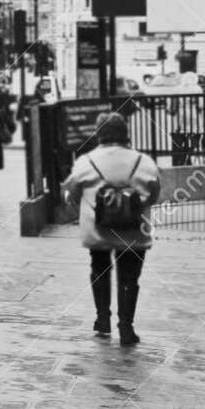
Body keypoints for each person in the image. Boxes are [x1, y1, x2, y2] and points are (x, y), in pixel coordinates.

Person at [61, 113, 160, 346]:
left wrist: (78, 202)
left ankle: (102, 320)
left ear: (99, 135)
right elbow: (154, 193)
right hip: (134, 230)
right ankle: (126, 327)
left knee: (99, 268)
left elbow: (72, 194)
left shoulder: (87, 160)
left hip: (99, 230)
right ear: (125, 134)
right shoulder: (143, 161)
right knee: (129, 276)